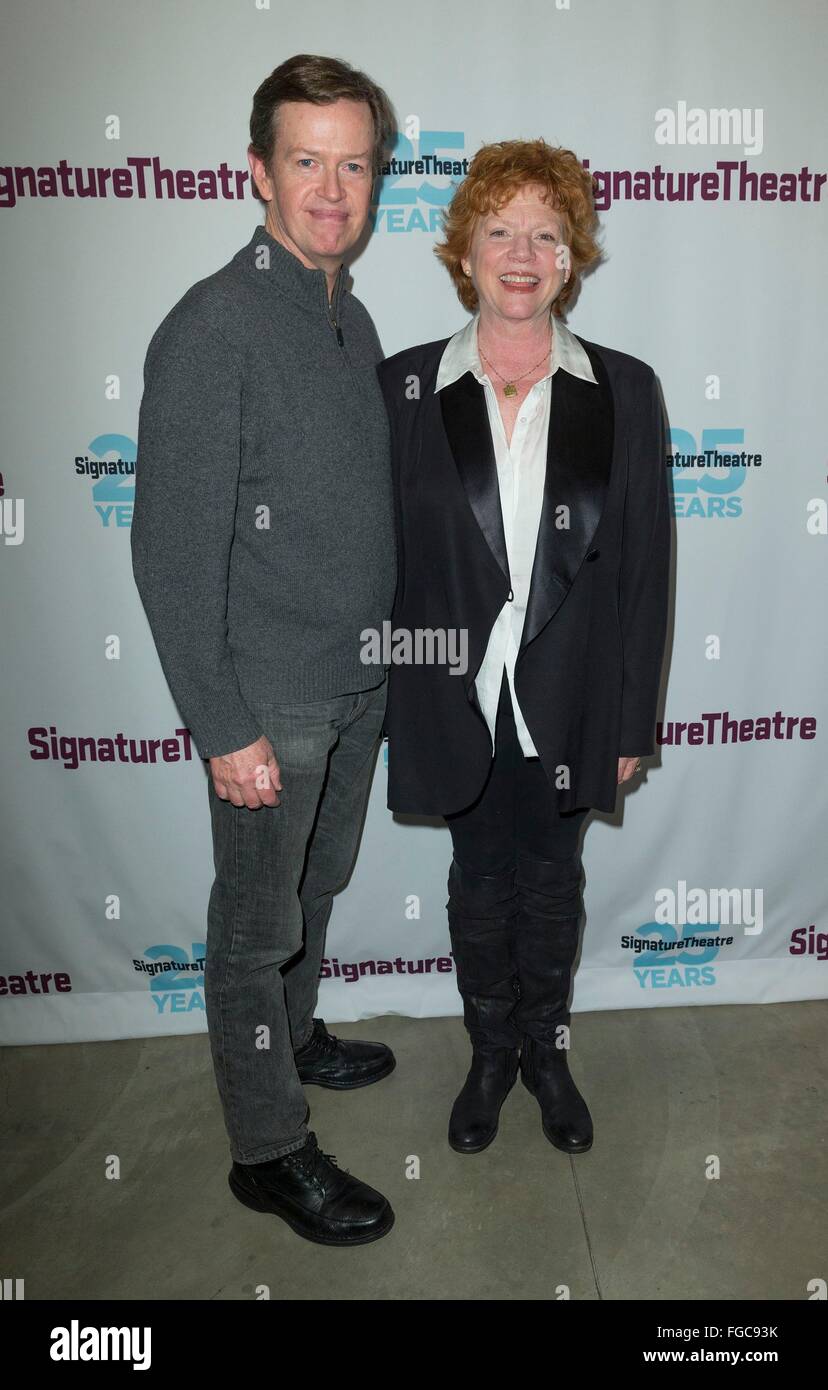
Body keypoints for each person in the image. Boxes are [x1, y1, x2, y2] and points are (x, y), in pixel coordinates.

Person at [132, 55, 399, 1245]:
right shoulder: (213, 326)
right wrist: (221, 724)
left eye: (354, 164)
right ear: (258, 173)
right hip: (268, 706)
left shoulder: (350, 311)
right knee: (252, 933)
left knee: (313, 892)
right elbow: (170, 559)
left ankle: (294, 1043)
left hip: (355, 688)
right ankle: (267, 1147)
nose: (333, 189)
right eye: (308, 162)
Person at [376, 138, 671, 1157]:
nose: (521, 253)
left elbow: (644, 571)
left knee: (551, 881)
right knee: (476, 881)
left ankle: (546, 1053)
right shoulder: (404, 387)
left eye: (547, 233)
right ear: (463, 253)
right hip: (453, 700)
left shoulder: (625, 390)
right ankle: (489, 1052)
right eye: (498, 230)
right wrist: (399, 695)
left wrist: (629, 720)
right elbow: (386, 563)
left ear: (572, 257)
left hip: (572, 697)